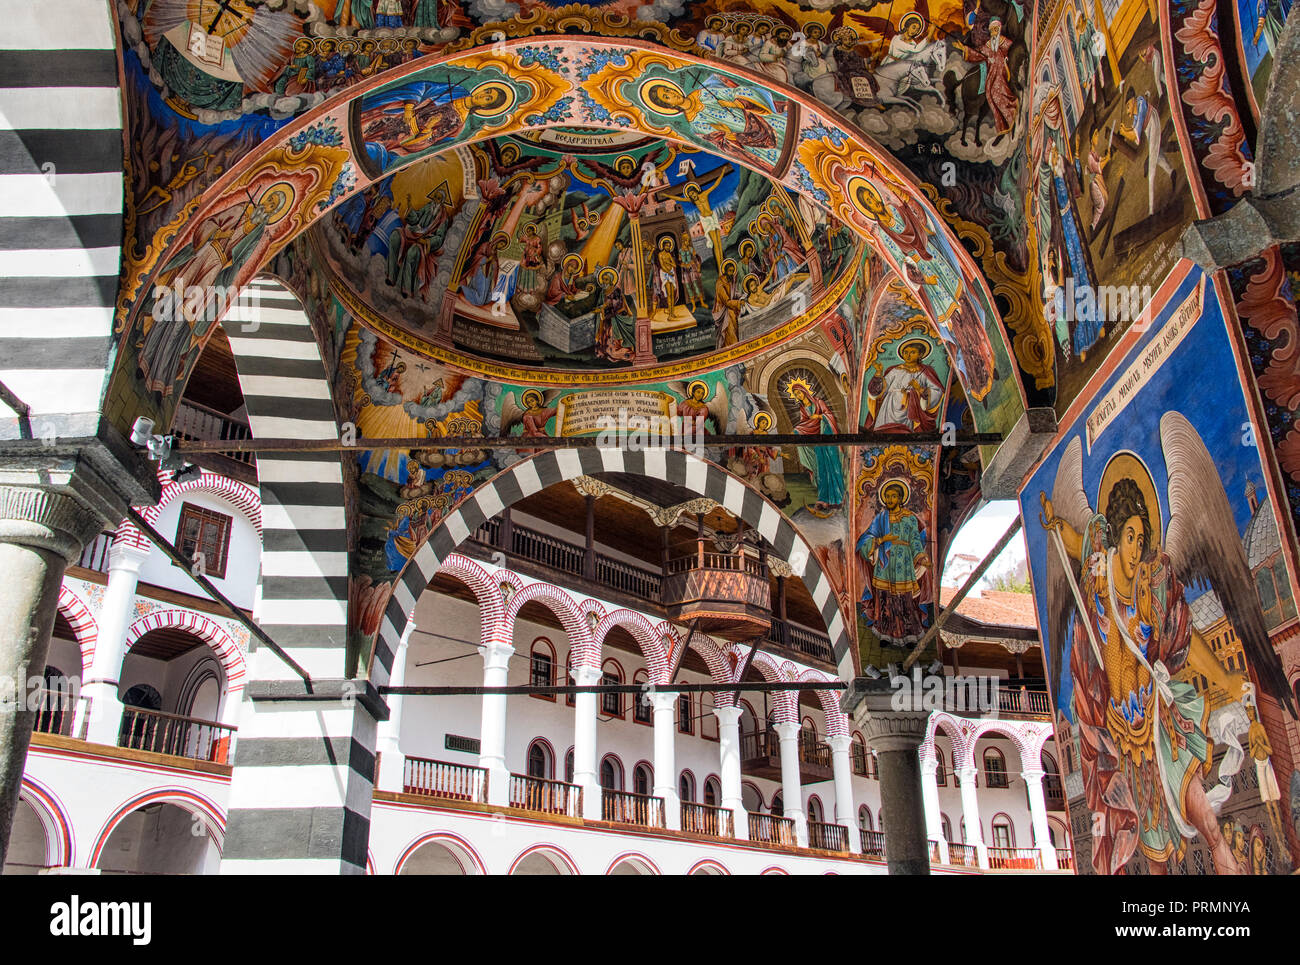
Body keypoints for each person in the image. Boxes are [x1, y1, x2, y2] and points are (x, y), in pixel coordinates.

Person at [1040, 478, 1258, 874]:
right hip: (1124, 737)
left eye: (1142, 538)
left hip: (1160, 719)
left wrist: (1227, 681)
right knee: (1155, 854)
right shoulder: (1098, 573)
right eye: (1129, 536)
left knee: (1208, 821)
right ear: (1116, 538)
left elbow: (1185, 639)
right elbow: (1076, 543)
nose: (1136, 547)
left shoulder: (1154, 583)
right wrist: (1056, 523)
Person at [857, 480, 931, 645]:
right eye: (888, 496)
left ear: (901, 498)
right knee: (885, 600)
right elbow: (866, 540)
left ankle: (909, 635)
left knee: (905, 600)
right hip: (885, 563)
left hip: (903, 564)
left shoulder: (910, 518)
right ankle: (885, 634)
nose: (890, 499)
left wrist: (921, 557)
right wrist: (883, 539)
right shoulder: (881, 518)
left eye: (893, 496)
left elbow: (915, 541)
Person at [786, 377, 845, 511]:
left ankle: (838, 498)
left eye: (799, 392)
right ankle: (823, 499)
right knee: (821, 469)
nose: (798, 396)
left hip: (827, 437)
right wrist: (797, 431)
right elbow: (805, 425)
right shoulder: (803, 409)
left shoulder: (818, 402)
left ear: (804, 391)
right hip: (817, 442)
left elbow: (829, 416)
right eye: (795, 395)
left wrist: (819, 417)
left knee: (833, 467)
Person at [863, 338, 944, 431]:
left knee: (905, 431)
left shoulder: (925, 372)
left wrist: (920, 389)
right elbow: (880, 391)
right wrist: (878, 373)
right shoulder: (895, 370)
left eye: (912, 352)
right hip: (890, 405)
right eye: (905, 352)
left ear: (920, 355)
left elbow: (937, 391)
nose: (908, 355)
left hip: (909, 407)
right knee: (885, 430)